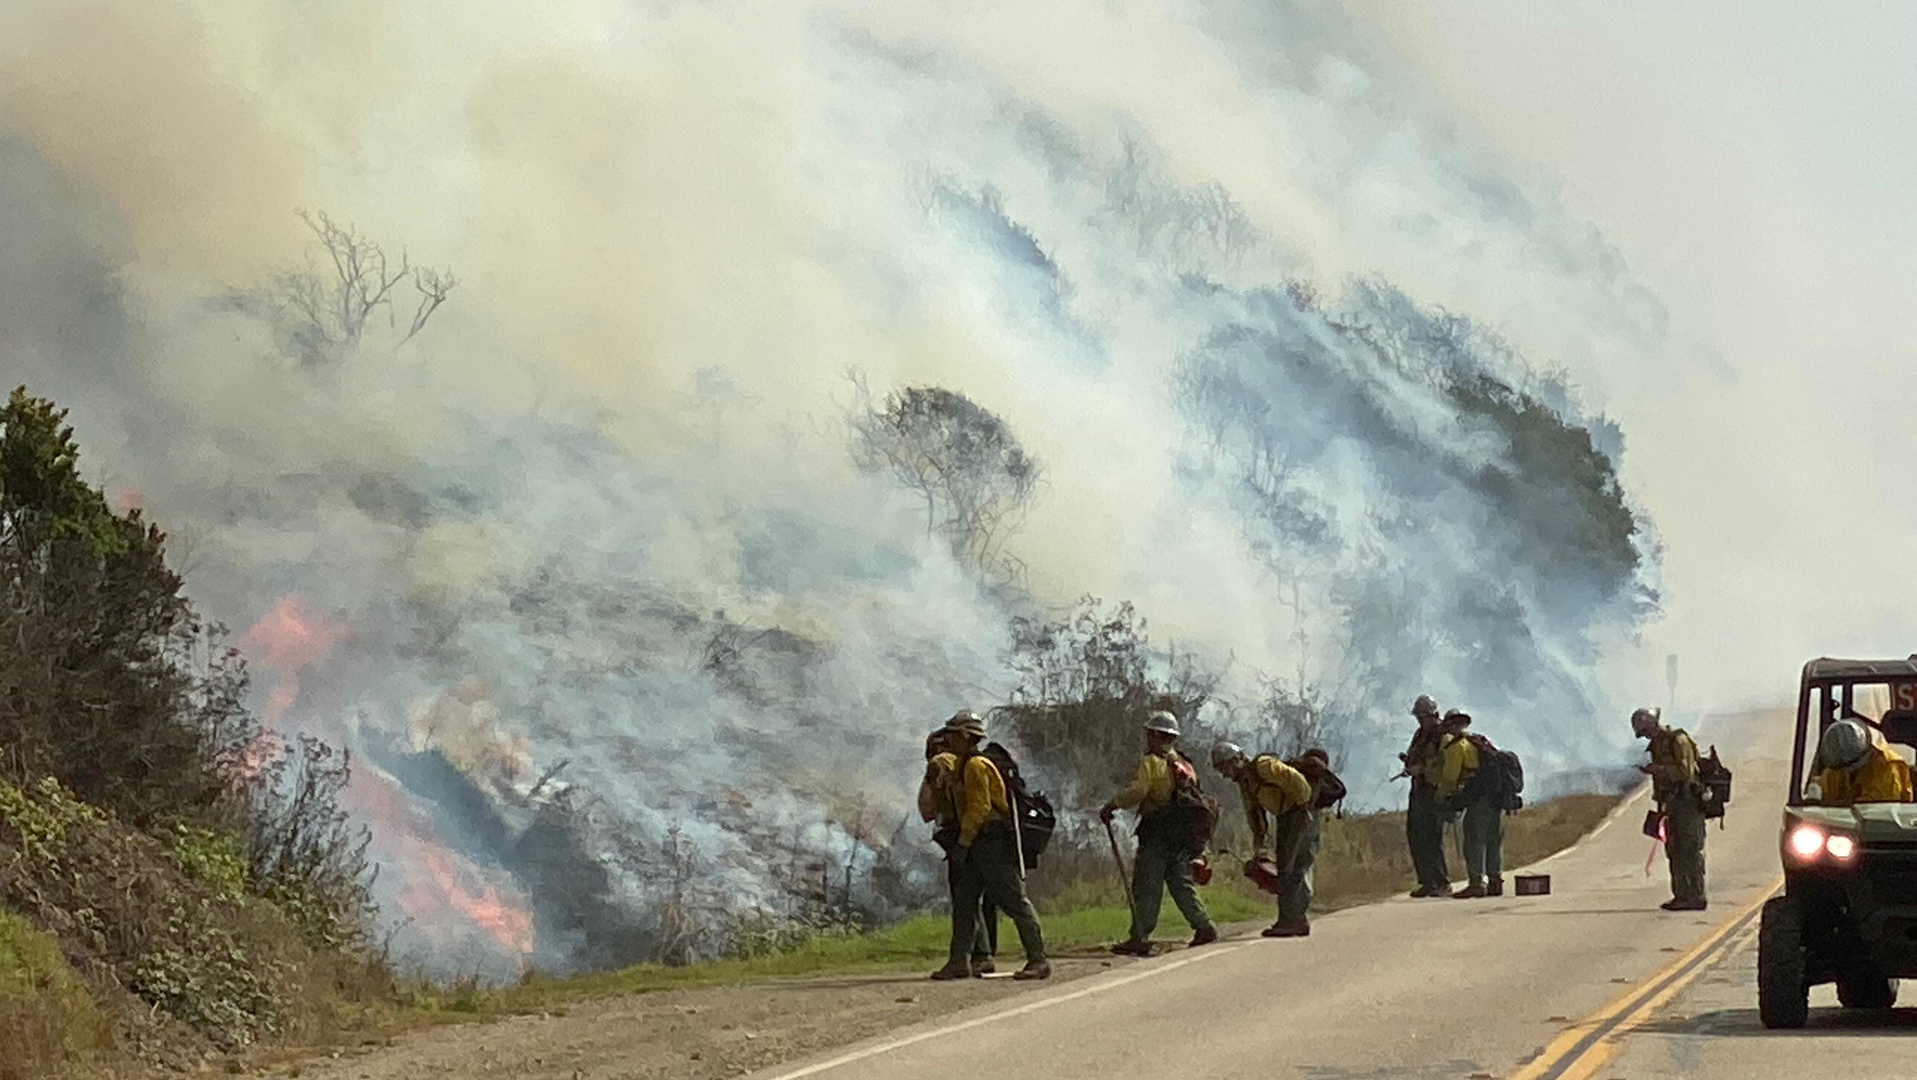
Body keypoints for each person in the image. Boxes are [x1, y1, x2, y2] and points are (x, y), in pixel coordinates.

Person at [931, 711, 1050, 980]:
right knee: (964, 901)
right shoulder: (964, 765)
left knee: (1014, 901)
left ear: (964, 735)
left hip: (991, 842)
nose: (948, 739)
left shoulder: (975, 766)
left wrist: (962, 843)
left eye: (952, 734)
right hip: (977, 842)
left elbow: (980, 808)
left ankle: (1038, 959)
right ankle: (959, 961)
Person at [1100, 711, 1218, 956]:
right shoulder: (1185, 765)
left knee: (1147, 886)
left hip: (1157, 832)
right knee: (1181, 884)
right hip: (1181, 835)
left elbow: (1139, 791)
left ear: (1154, 735)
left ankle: (1140, 936)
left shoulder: (1152, 762)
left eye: (1149, 734)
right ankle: (1204, 926)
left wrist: (1112, 805)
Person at [1211, 740, 1316, 937]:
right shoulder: (1246, 783)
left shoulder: (1263, 766)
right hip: (1286, 816)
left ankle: (1291, 921)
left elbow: (1297, 781)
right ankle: (1294, 920)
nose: (1224, 773)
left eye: (1225, 766)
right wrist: (1259, 846)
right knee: (1287, 867)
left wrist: (1303, 807)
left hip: (1299, 812)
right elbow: (1255, 815)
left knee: (1289, 868)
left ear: (1237, 759)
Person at [918, 729, 999, 974]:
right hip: (983, 838)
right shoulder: (966, 764)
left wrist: (961, 842)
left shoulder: (941, 763)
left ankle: (972, 957)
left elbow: (927, 809)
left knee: (965, 898)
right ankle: (981, 955)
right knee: (980, 899)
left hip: (962, 836)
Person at [1633, 707, 1707, 912]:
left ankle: (1696, 895)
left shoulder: (1678, 740)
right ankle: (1682, 895)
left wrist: (1658, 770)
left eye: (1646, 731)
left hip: (1688, 804)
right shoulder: (1658, 745)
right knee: (1674, 851)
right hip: (1671, 805)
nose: (1646, 736)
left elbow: (1685, 773)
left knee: (1690, 851)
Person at [1435, 710, 1504, 899]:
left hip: (1477, 797)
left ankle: (1476, 884)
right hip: (1494, 797)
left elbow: (1450, 776)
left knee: (1474, 840)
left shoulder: (1456, 746)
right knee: (1492, 839)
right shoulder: (1478, 741)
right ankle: (1495, 880)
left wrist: (1442, 795)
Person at [1401, 694, 1452, 898]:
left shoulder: (1442, 735)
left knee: (1432, 836)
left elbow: (1443, 762)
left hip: (1434, 791)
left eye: (1424, 717)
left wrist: (1422, 769)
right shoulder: (1419, 734)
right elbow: (1415, 754)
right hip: (1419, 790)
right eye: (1419, 717)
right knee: (1416, 834)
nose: (1421, 721)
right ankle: (1427, 881)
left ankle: (1441, 882)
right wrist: (1409, 763)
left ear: (1434, 715)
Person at [1810, 718, 1916, 805]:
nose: (1846, 771)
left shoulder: (1887, 766)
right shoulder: (1837, 762)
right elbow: (1826, 788)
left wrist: (1842, 803)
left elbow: (1878, 806)